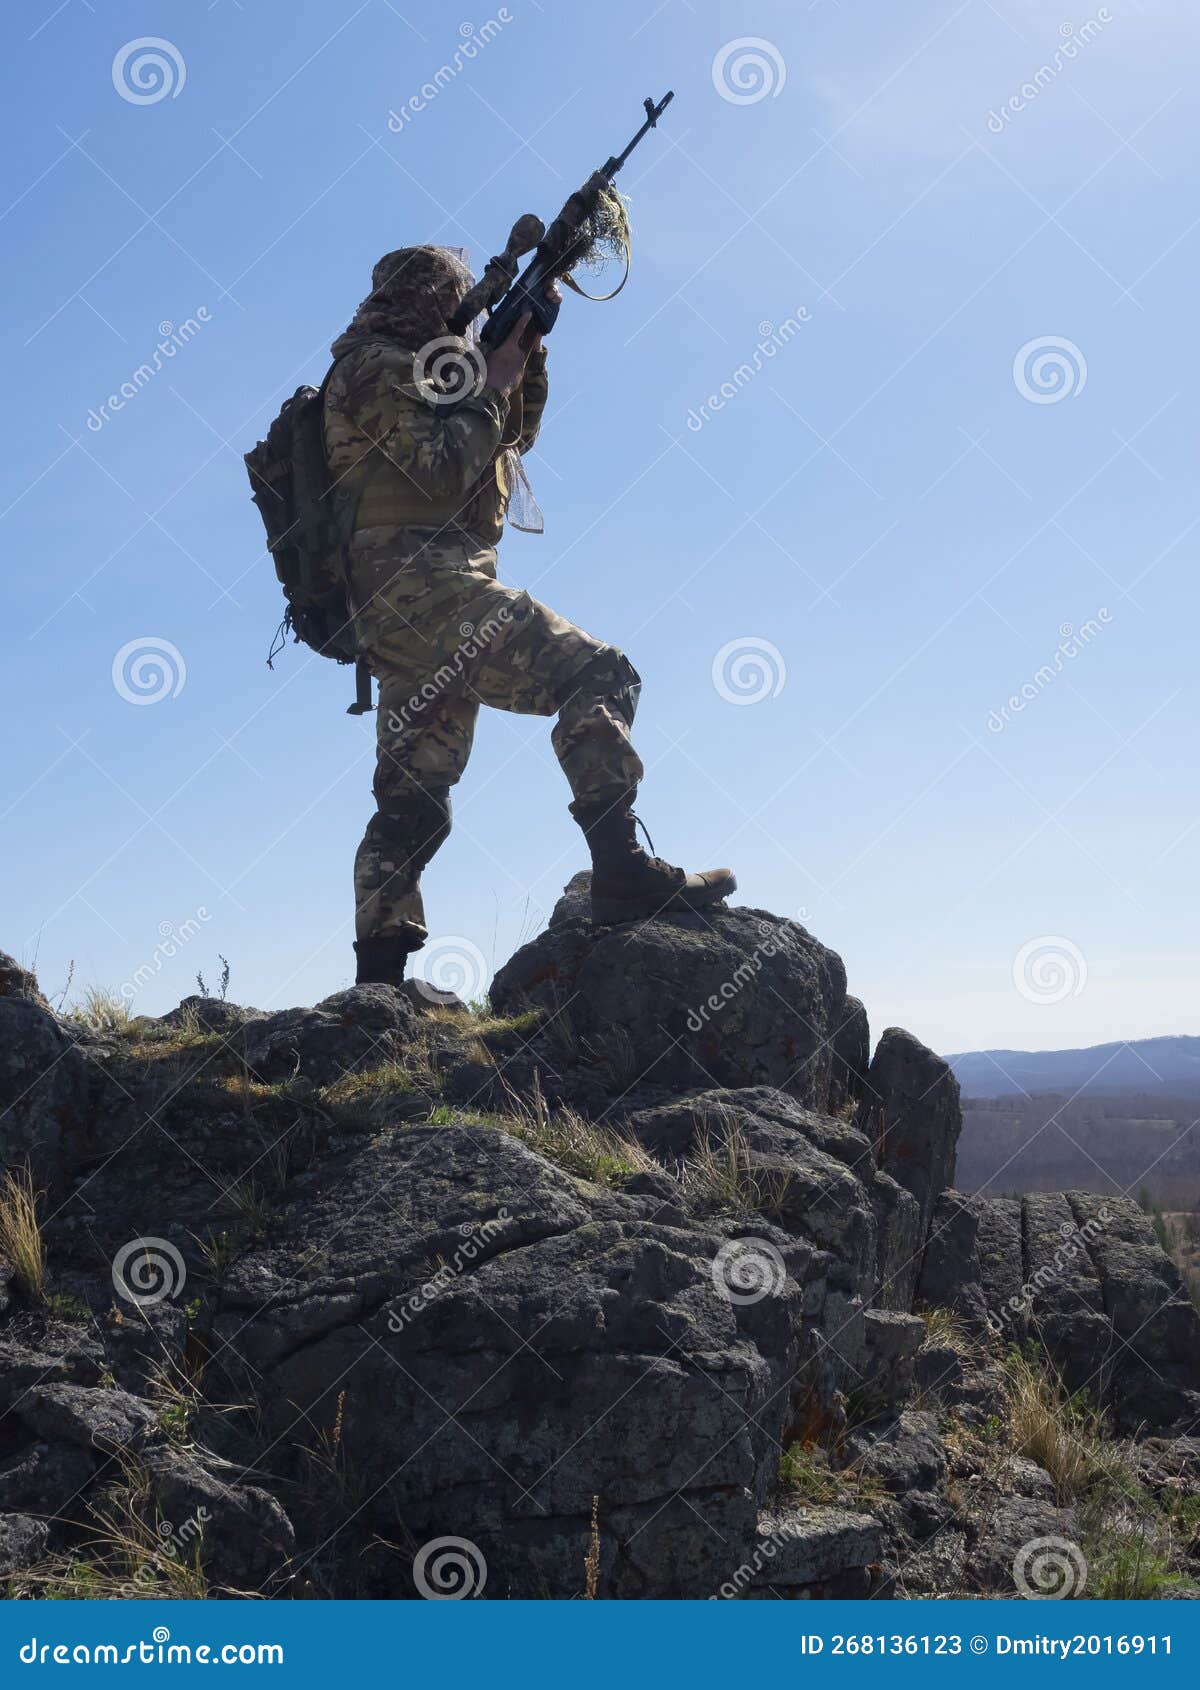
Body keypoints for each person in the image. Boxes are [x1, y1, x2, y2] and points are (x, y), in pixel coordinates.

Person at [323, 245, 735, 986]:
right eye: (458, 297)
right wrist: (494, 380)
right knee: (599, 673)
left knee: (415, 802)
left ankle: (376, 994)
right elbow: (447, 465)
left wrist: (524, 351)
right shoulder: (374, 367)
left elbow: (506, 441)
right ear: (429, 297)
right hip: (429, 595)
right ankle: (620, 873)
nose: (465, 312)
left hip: (410, 611)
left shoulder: (421, 367)